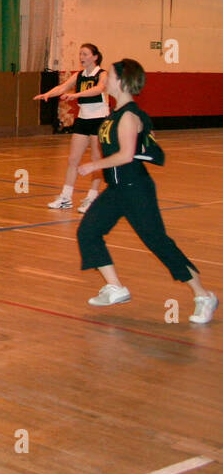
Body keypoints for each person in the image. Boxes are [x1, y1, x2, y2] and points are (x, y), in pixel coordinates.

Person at [76, 58, 215, 323]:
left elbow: (126, 155)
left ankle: (203, 295)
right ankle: (115, 288)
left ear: (122, 81)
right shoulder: (116, 113)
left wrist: (94, 165)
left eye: (110, 77)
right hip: (116, 190)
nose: (105, 81)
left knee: (158, 242)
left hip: (135, 189)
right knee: (88, 232)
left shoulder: (129, 115)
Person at [33, 43, 108, 213]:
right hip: (83, 120)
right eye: (80, 54)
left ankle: (92, 197)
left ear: (95, 57)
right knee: (73, 159)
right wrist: (48, 94)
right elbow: (62, 87)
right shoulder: (79, 75)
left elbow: (99, 89)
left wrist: (76, 95)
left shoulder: (103, 74)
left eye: (85, 54)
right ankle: (66, 197)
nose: (82, 57)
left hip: (99, 121)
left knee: (97, 161)